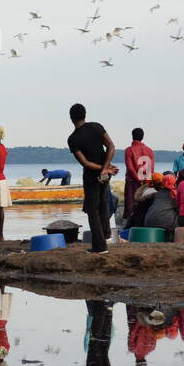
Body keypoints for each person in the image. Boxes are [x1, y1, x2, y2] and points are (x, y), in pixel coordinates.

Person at [66, 104, 117, 254]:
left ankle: (100, 246)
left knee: (92, 210)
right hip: (105, 173)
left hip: (91, 176)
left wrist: (103, 170)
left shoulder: (73, 139)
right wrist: (105, 168)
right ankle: (106, 233)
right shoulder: (96, 127)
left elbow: (85, 163)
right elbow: (111, 147)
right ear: (85, 115)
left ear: (71, 118)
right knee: (103, 202)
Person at [124, 128, 155, 219]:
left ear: (132, 136)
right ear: (142, 137)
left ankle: (130, 229)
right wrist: (147, 182)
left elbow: (130, 168)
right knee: (145, 207)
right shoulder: (150, 151)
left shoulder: (129, 150)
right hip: (146, 183)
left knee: (131, 208)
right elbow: (151, 169)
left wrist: (138, 180)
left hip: (133, 182)